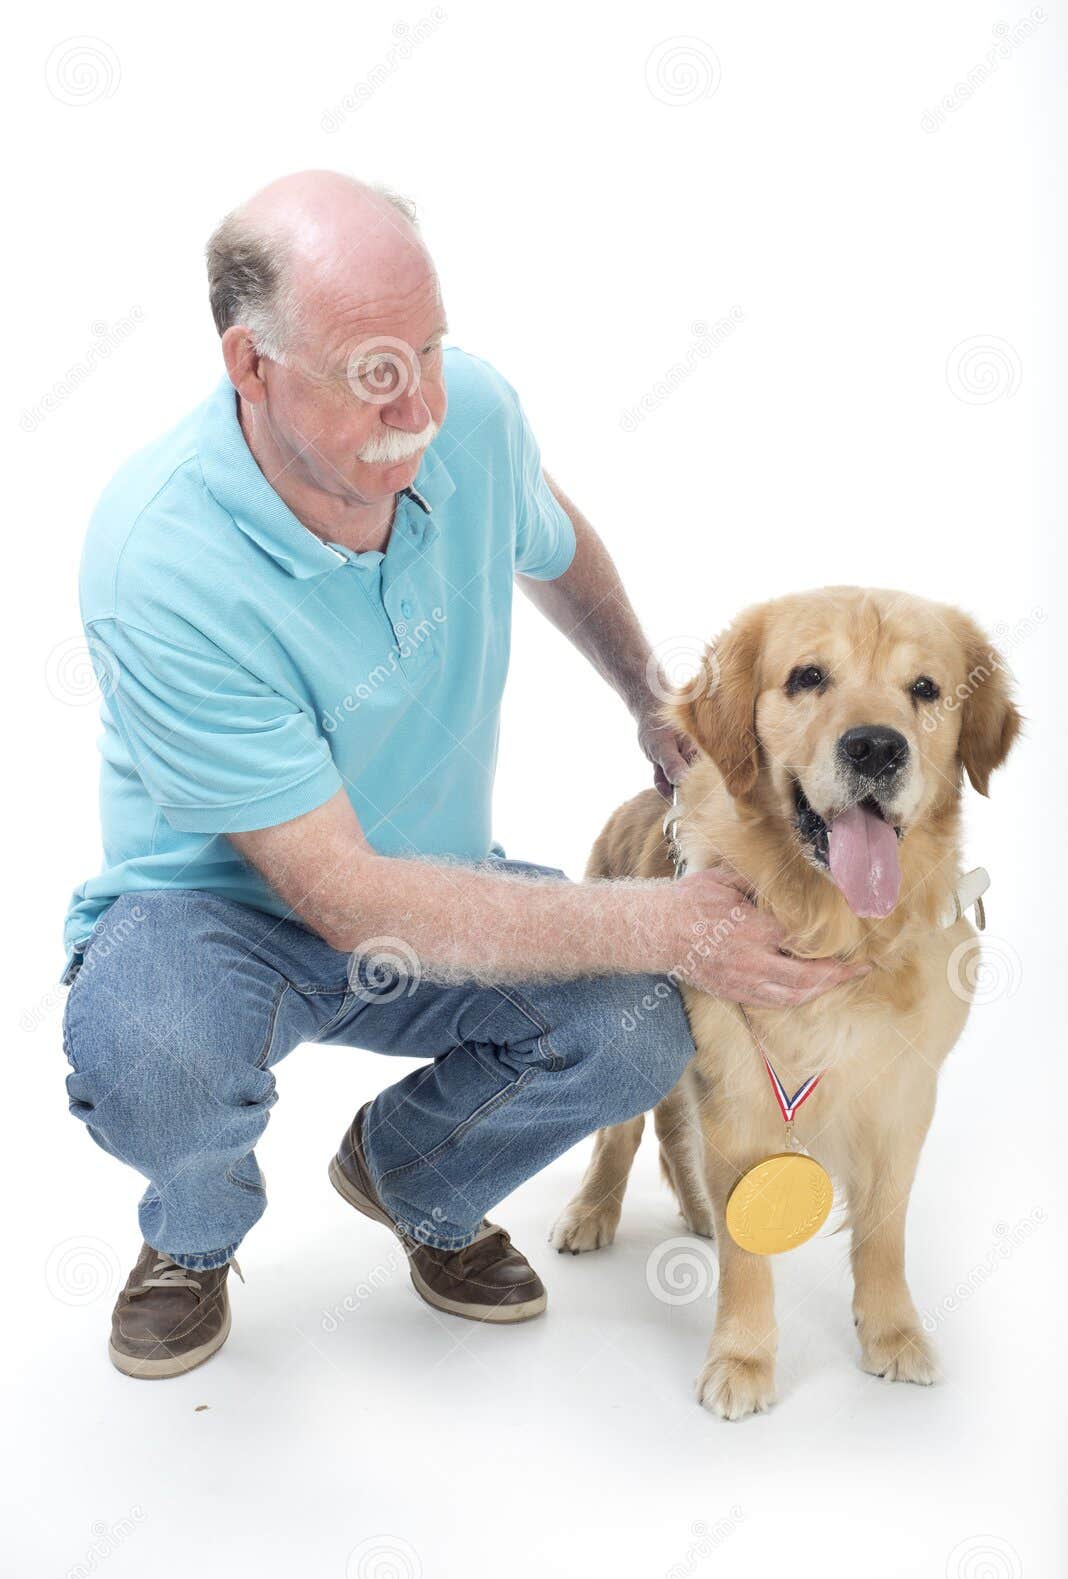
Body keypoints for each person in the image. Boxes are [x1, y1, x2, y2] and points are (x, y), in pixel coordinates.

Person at [62, 172, 862, 1379]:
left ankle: (414, 1178)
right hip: (217, 917)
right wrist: (666, 920)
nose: (422, 406)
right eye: (374, 369)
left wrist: (648, 692)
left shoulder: (467, 415)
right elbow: (339, 896)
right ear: (251, 363)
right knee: (151, 1043)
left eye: (431, 349)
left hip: (434, 883)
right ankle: (193, 1234)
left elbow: (549, 534)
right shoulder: (159, 559)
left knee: (641, 1027)